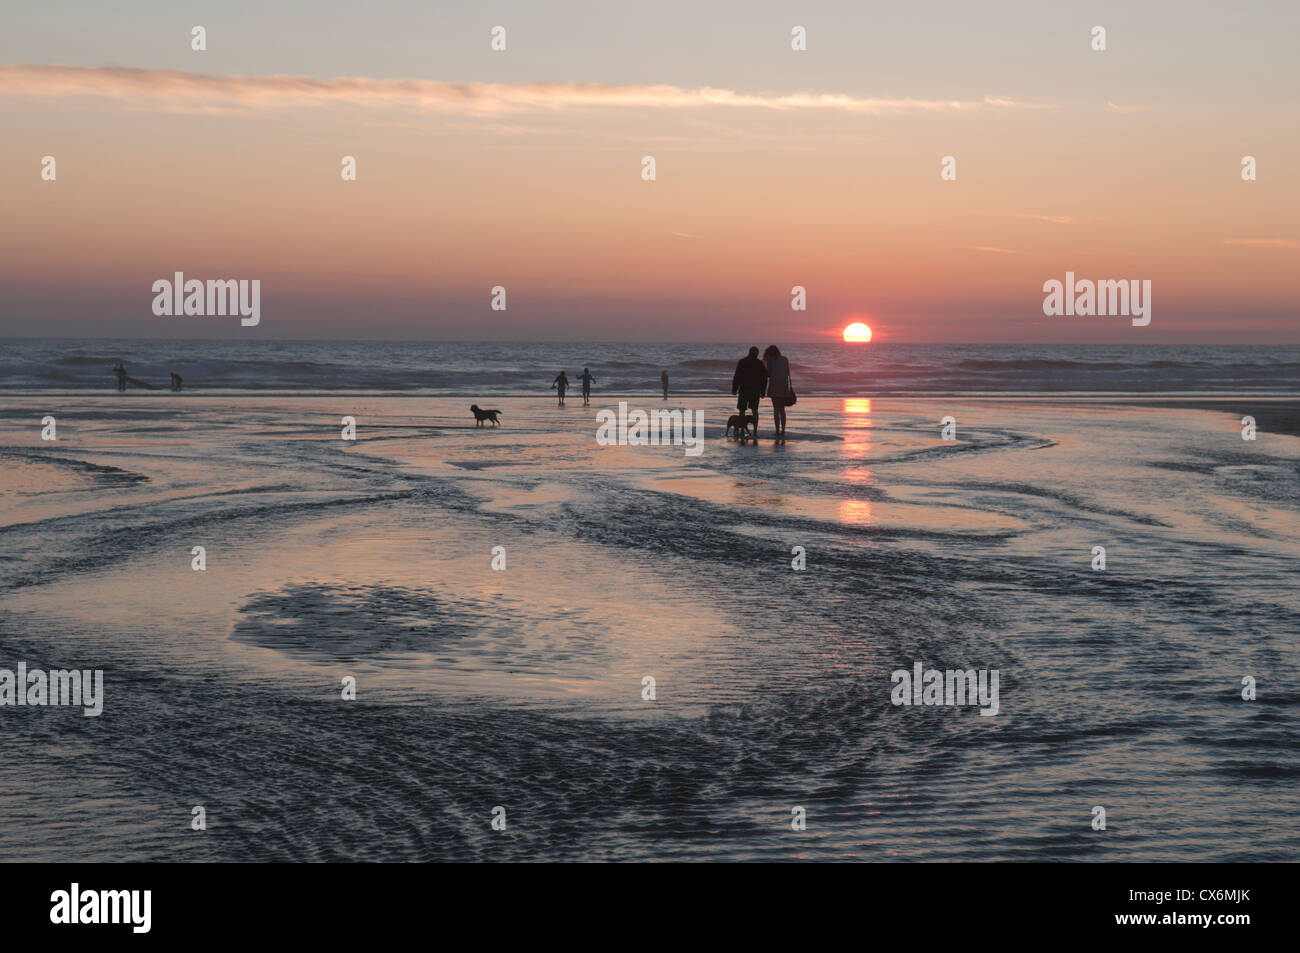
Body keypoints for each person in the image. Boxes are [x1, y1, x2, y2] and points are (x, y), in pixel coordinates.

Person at [731, 346, 768, 437]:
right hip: (755, 391)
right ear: (757, 353)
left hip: (744, 389)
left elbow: (737, 376)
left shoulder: (742, 362)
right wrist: (763, 391)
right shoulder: (759, 363)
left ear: (749, 352)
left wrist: (734, 388)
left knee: (742, 410)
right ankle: (755, 431)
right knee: (755, 410)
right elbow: (764, 379)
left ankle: (742, 430)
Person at [763, 345, 793, 438]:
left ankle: (777, 430)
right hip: (783, 385)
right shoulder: (785, 359)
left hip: (774, 384)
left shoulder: (770, 360)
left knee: (776, 409)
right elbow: (788, 373)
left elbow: (769, 373)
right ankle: (783, 430)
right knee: (782, 409)